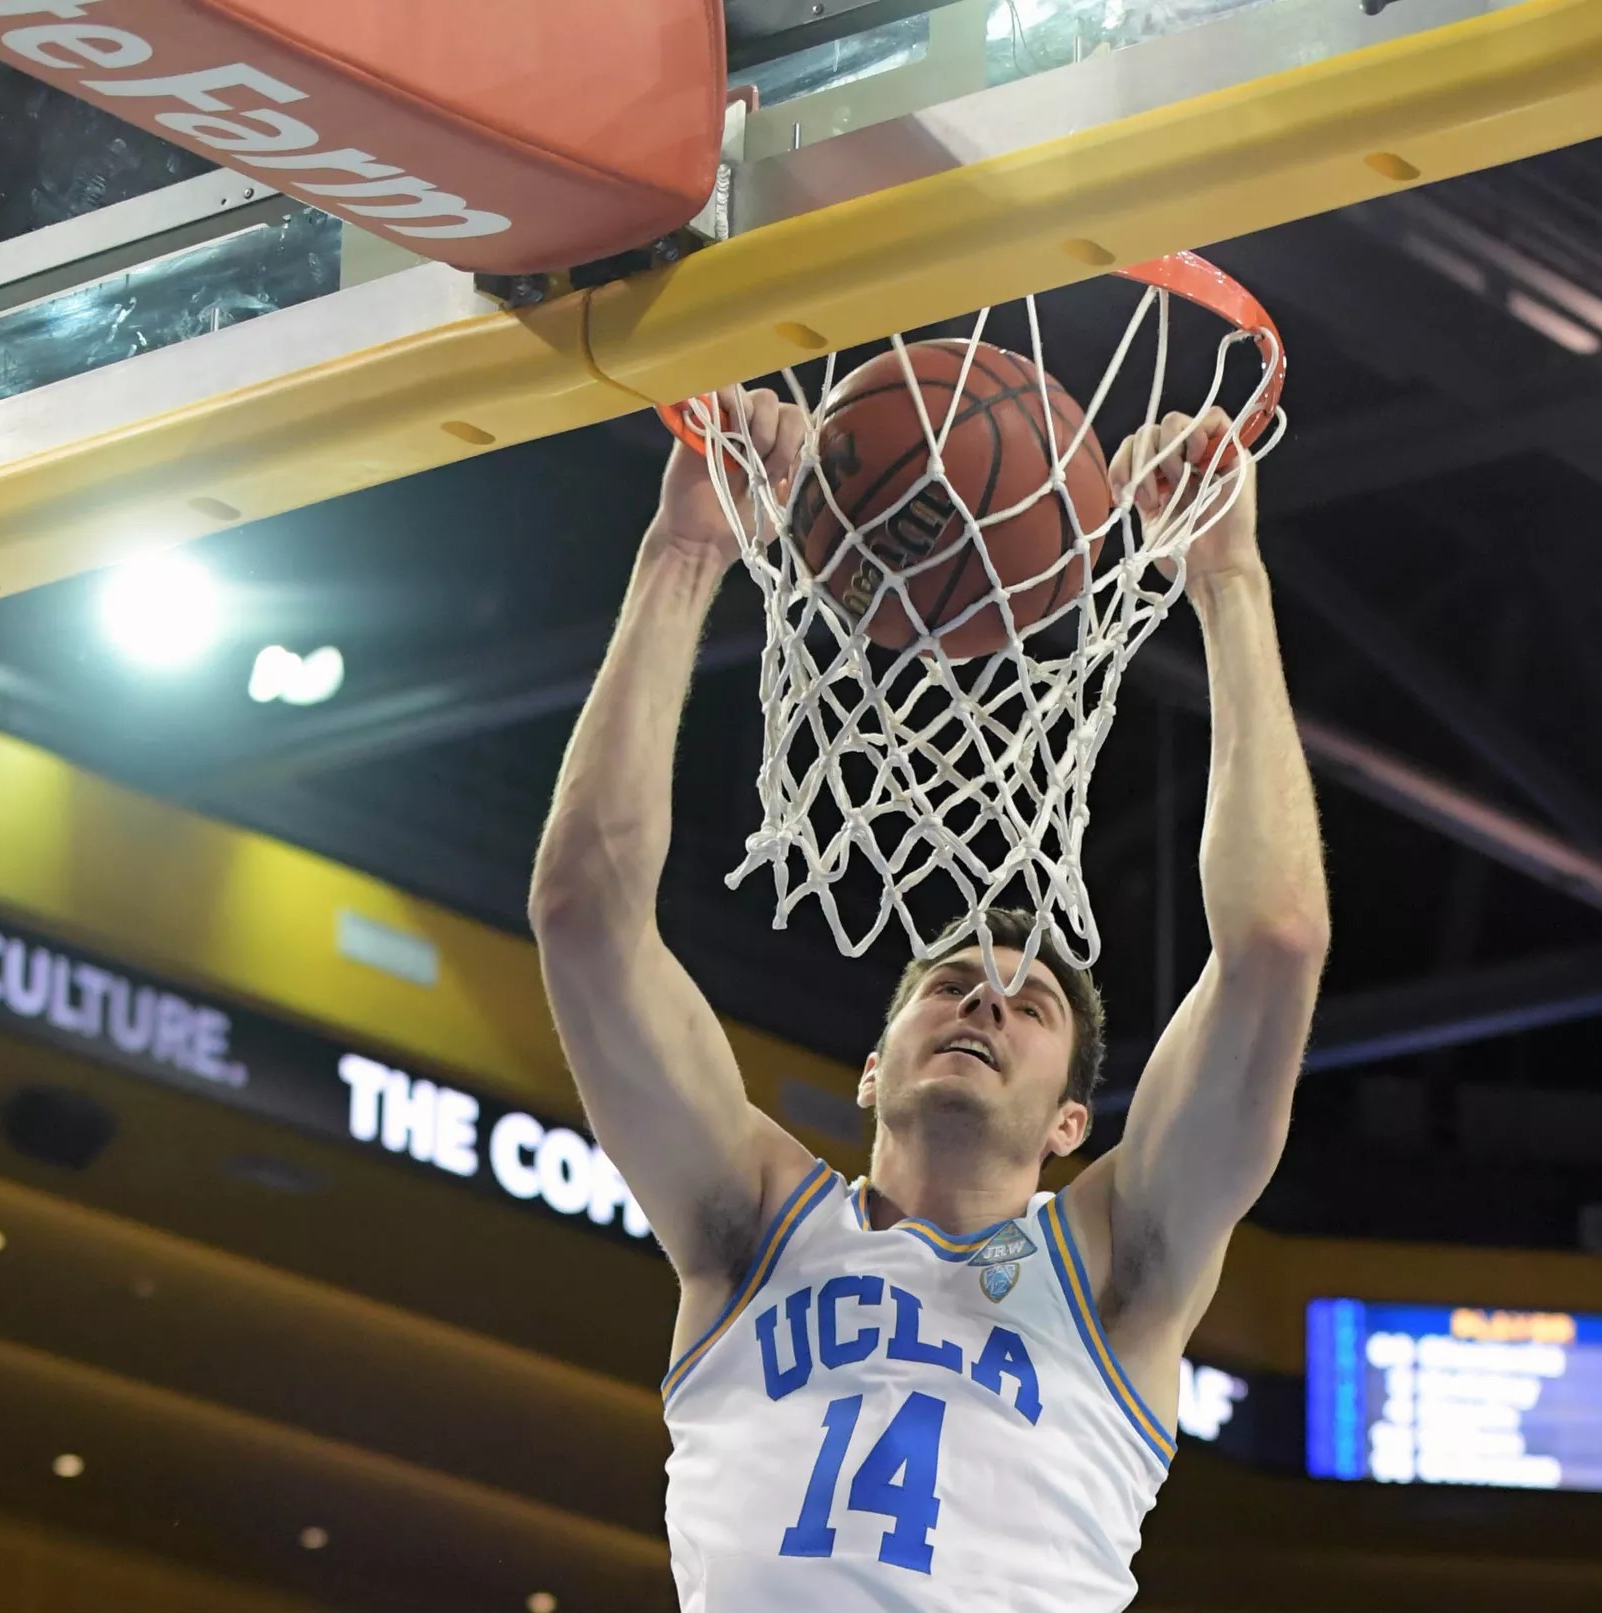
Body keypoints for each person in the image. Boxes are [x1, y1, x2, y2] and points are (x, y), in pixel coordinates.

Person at [530, 391, 1329, 1611]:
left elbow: (1274, 941)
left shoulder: (1120, 1264)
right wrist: (686, 552)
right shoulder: (750, 1221)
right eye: (949, 982)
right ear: (872, 1064)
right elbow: (584, 916)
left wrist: (1229, 578)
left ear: (1072, 1123)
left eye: (1028, 1005)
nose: (983, 1003)